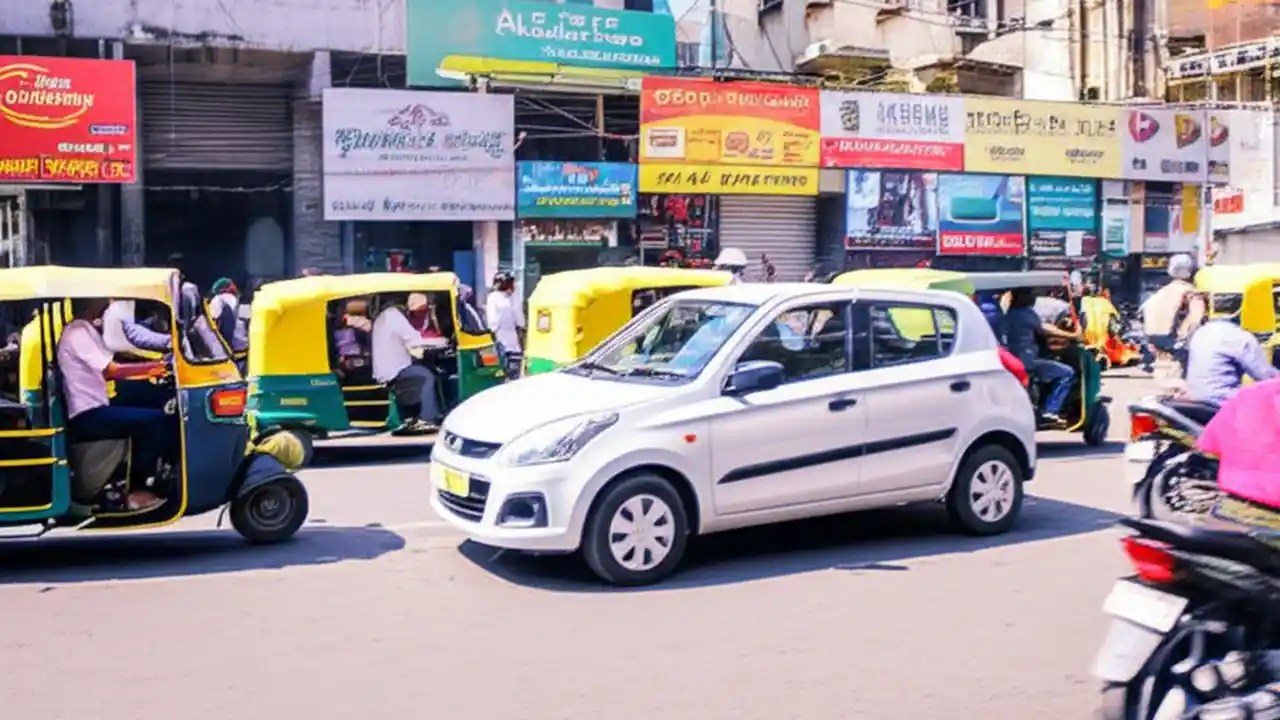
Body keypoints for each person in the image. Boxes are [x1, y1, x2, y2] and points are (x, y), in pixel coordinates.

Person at [58, 298, 177, 510]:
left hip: (97, 404)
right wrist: (154, 368)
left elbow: (118, 359)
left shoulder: (87, 329)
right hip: (87, 414)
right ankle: (138, 489)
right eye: (104, 299)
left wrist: (150, 366)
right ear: (91, 303)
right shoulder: (77, 333)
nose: (108, 303)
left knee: (149, 400)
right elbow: (111, 370)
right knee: (156, 422)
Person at [1183, 300, 1278, 405]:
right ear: (1242, 309)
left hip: (1195, 402)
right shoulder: (1239, 337)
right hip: (1223, 405)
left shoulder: (1201, 332)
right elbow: (1266, 377)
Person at [1006, 288, 1078, 423]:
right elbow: (1044, 329)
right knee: (1067, 373)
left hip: (1010, 361)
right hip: (1026, 362)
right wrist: (1072, 335)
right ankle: (1050, 410)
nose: (1033, 299)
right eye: (1030, 295)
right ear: (1021, 297)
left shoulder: (1007, 314)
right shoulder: (1026, 313)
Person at [372, 294, 441, 434]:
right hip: (394, 370)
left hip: (389, 367)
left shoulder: (385, 316)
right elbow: (413, 339)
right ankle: (427, 418)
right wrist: (441, 341)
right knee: (426, 375)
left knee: (421, 370)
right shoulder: (393, 316)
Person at [1142, 253, 1206, 393]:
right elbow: (1196, 321)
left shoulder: (1159, 294)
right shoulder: (1191, 294)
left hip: (1160, 360)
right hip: (1179, 361)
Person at [102, 300, 172, 357]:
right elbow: (138, 336)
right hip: (163, 340)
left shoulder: (113, 311)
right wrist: (168, 341)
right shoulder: (114, 311)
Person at [485, 272, 525, 370]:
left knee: (514, 367)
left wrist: (521, 327)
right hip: (499, 338)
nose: (512, 286)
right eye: (510, 283)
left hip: (512, 339)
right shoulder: (493, 298)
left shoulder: (513, 298)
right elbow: (492, 321)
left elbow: (519, 318)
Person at [208, 277, 249, 357]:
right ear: (225, 288)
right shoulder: (220, 299)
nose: (235, 286)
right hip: (238, 348)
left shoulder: (219, 300)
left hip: (233, 349)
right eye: (231, 284)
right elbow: (215, 321)